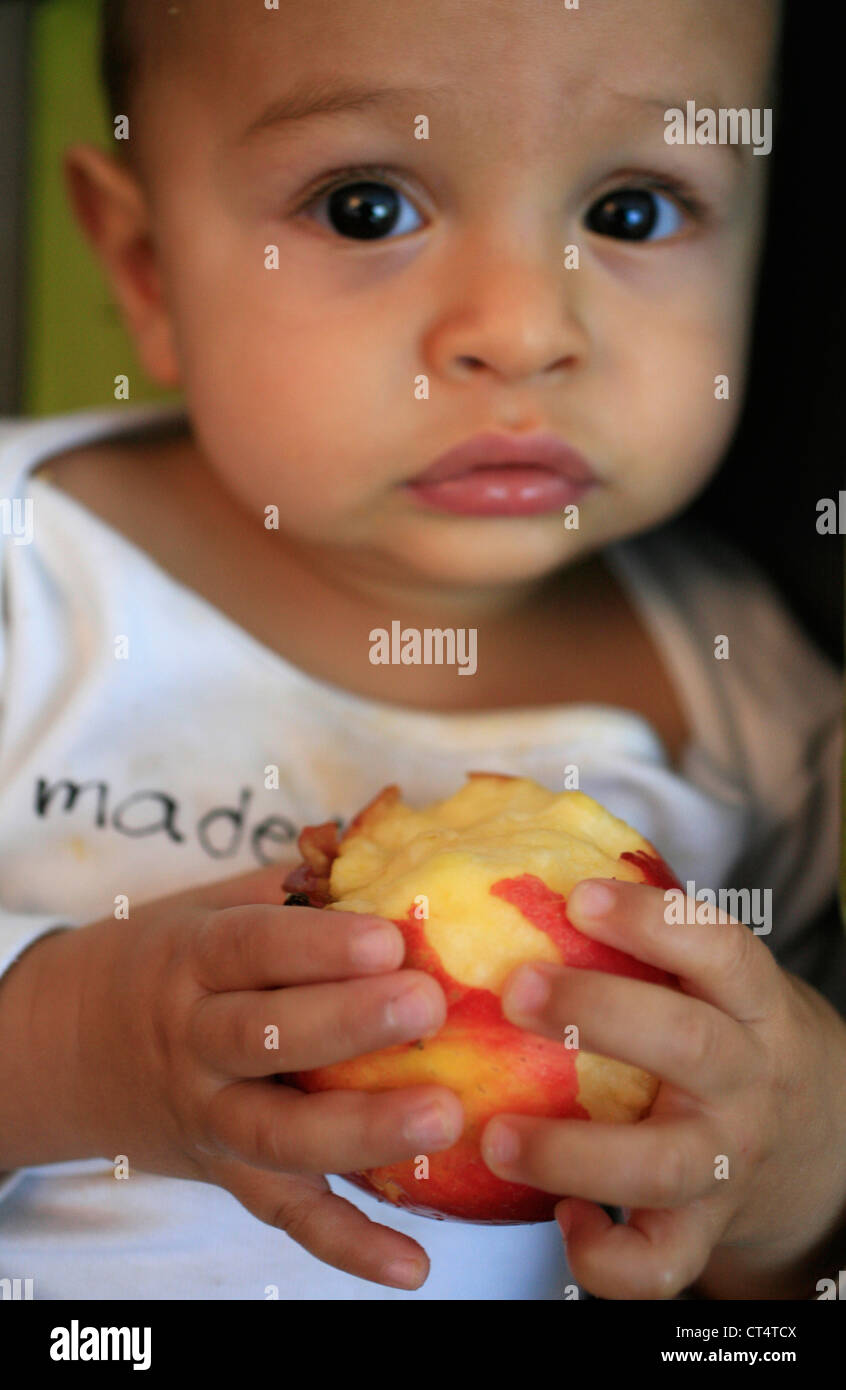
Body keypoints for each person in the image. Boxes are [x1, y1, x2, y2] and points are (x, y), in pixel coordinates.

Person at [0, 0, 844, 1301]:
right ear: (146, 266)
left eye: (630, 210)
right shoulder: (27, 578)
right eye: (364, 208)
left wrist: (793, 1171)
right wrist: (68, 1046)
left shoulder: (753, 698)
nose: (518, 328)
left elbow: (761, 1292)